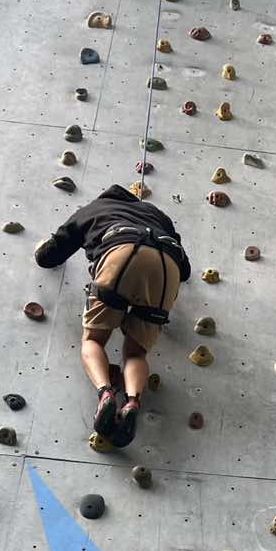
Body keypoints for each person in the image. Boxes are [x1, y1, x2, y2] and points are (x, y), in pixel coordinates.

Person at [35, 185, 191, 447]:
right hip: (167, 266)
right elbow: (185, 272)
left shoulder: (93, 209)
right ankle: (132, 400)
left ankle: (106, 393)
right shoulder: (157, 215)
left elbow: (50, 257)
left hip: (120, 252)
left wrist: (40, 250)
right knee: (135, 353)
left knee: (94, 340)